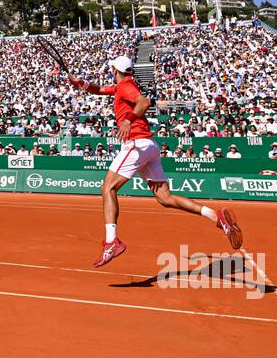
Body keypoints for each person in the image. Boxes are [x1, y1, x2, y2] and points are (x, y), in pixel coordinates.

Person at [62, 55, 242, 269]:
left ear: (114, 69)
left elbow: (144, 101)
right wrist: (79, 83)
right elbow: (99, 90)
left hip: (137, 144)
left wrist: (128, 120)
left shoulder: (126, 87)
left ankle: (112, 242)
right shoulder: (121, 86)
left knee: (107, 188)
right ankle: (215, 215)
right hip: (149, 145)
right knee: (164, 198)